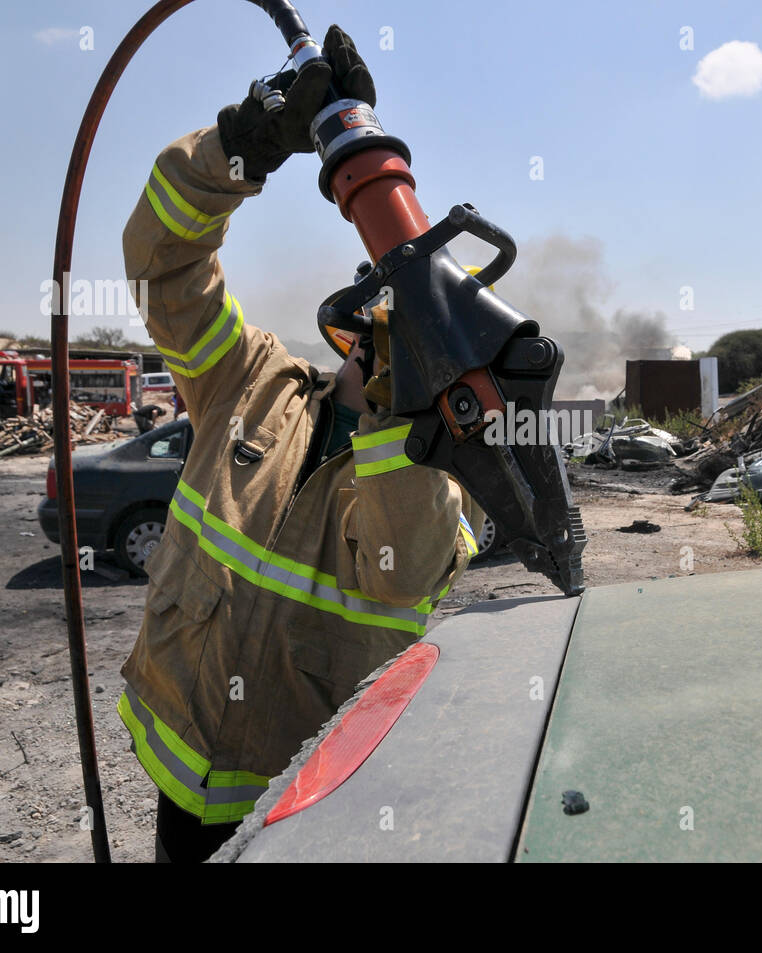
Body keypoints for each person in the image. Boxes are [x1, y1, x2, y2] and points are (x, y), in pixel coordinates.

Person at [118, 25, 480, 862]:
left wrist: (405, 414)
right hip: (178, 779)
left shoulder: (435, 477)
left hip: (310, 815)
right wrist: (242, 146)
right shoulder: (246, 380)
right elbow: (160, 264)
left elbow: (394, 572)